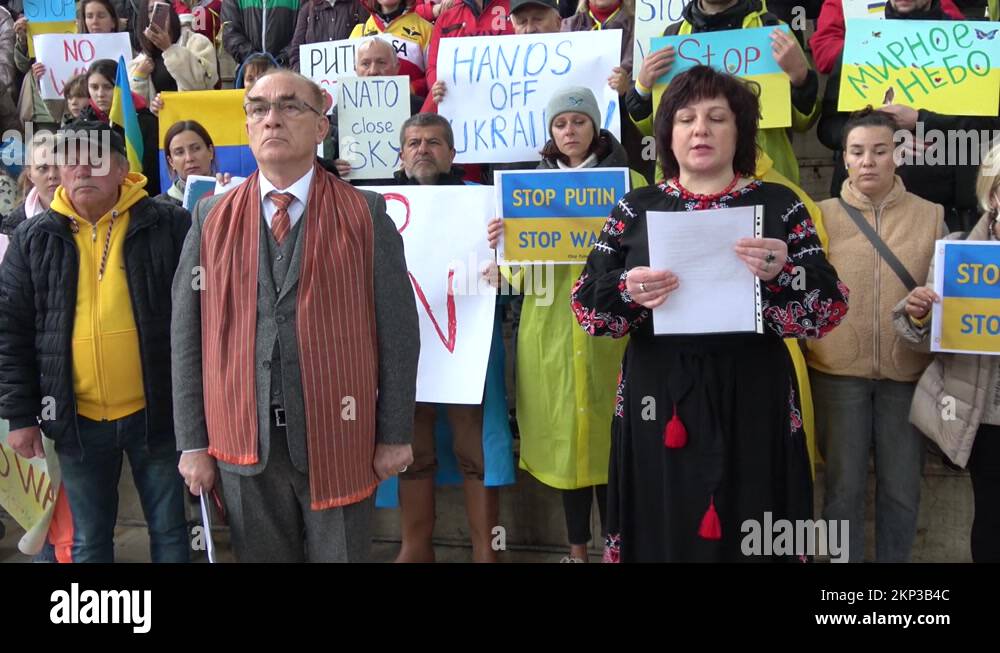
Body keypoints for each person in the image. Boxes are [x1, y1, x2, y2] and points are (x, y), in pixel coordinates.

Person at [570, 65, 849, 562]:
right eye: (686, 119)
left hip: (754, 388)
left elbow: (827, 310)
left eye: (717, 118)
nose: (701, 129)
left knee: (756, 513)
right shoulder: (635, 209)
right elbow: (588, 308)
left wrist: (784, 273)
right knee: (664, 517)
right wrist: (627, 289)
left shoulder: (779, 205)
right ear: (667, 136)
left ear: (739, 131)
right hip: (659, 396)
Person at [172, 69, 420, 562]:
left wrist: (394, 434)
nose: (272, 119)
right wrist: (192, 442)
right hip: (242, 440)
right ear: (246, 127)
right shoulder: (209, 217)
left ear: (321, 127)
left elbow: (398, 333)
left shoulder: (366, 214)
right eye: (259, 108)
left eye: (290, 106)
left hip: (340, 438)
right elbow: (186, 335)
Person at [0, 120, 192, 563]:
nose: (82, 169)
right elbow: (11, 332)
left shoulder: (170, 225)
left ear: (123, 168)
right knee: (87, 542)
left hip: (158, 415)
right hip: (76, 420)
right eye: (71, 160)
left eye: (96, 158)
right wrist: (20, 416)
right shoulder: (32, 239)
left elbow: (199, 320)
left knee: (170, 535)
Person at [486, 86, 646, 562]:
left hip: (612, 336)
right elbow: (516, 274)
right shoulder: (527, 191)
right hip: (550, 332)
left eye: (578, 121)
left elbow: (647, 247)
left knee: (611, 450)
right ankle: (576, 553)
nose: (569, 131)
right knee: (567, 456)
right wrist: (503, 244)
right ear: (550, 133)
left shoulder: (630, 181)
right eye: (560, 124)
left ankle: (616, 550)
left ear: (595, 126)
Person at [809, 108, 946, 563]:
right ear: (844, 159)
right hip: (837, 375)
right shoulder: (820, 215)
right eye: (857, 151)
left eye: (879, 151)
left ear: (897, 155)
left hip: (906, 376)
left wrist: (924, 316)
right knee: (841, 494)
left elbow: (947, 302)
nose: (868, 161)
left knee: (902, 492)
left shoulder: (931, 217)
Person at [387, 113, 514, 563]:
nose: (423, 149)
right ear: (401, 156)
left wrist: (508, 267)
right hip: (407, 340)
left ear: (453, 153)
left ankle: (486, 552)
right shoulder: (379, 206)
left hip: (468, 340)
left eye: (434, 142)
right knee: (412, 443)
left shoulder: (486, 202)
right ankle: (416, 547)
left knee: (473, 443)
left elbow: (528, 276)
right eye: (414, 142)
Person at [893, 140, 1000, 563]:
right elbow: (923, 338)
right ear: (993, 195)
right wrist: (919, 313)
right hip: (985, 419)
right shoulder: (957, 251)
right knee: (992, 522)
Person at [816, 0, 999, 232]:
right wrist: (881, 136)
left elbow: (991, 127)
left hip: (948, 211)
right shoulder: (861, 43)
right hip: (866, 210)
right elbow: (829, 127)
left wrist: (921, 119)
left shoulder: (968, 43)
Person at [624, 0, 820, 185]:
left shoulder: (775, 31)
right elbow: (655, 128)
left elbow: (803, 122)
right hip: (686, 185)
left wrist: (802, 79)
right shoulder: (670, 37)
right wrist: (642, 89)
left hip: (765, 181)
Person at [327, 38, 424, 178]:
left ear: (397, 67)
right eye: (365, 64)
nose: (373, 71)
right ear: (356, 69)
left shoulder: (419, 107)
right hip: (357, 190)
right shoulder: (341, 110)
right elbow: (332, 154)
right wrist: (334, 165)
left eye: (381, 63)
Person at [80, 59, 162, 196]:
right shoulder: (83, 122)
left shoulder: (144, 121)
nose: (100, 94)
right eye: (94, 87)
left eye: (107, 87)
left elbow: (153, 170)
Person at [127, 1, 219, 103]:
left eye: (162, 8)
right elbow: (137, 108)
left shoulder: (197, 42)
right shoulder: (141, 60)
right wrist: (139, 78)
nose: (156, 14)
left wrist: (169, 49)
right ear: (145, 18)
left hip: (195, 116)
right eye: (151, 10)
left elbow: (201, 84)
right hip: (161, 118)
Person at [350, 0, 432, 97]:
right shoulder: (359, 31)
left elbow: (434, 77)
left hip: (411, 108)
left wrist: (413, 88)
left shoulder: (426, 30)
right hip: (364, 108)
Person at [1, 131, 60, 237]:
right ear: (30, 175)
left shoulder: (91, 213)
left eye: (59, 166)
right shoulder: (13, 226)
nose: (52, 175)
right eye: (43, 168)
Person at [288, 0, 368, 72]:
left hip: (350, 80)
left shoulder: (358, 6)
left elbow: (368, 44)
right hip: (315, 83)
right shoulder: (307, 10)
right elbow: (296, 50)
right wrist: (303, 75)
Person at [221, 0, 302, 66]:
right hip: (250, 72)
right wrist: (253, 59)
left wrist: (282, 60)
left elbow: (302, 35)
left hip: (287, 72)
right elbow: (230, 34)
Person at [157, 120, 216, 205]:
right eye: (180, 152)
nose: (189, 158)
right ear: (171, 162)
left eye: (196, 148)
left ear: (210, 152)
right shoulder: (158, 207)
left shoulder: (232, 194)